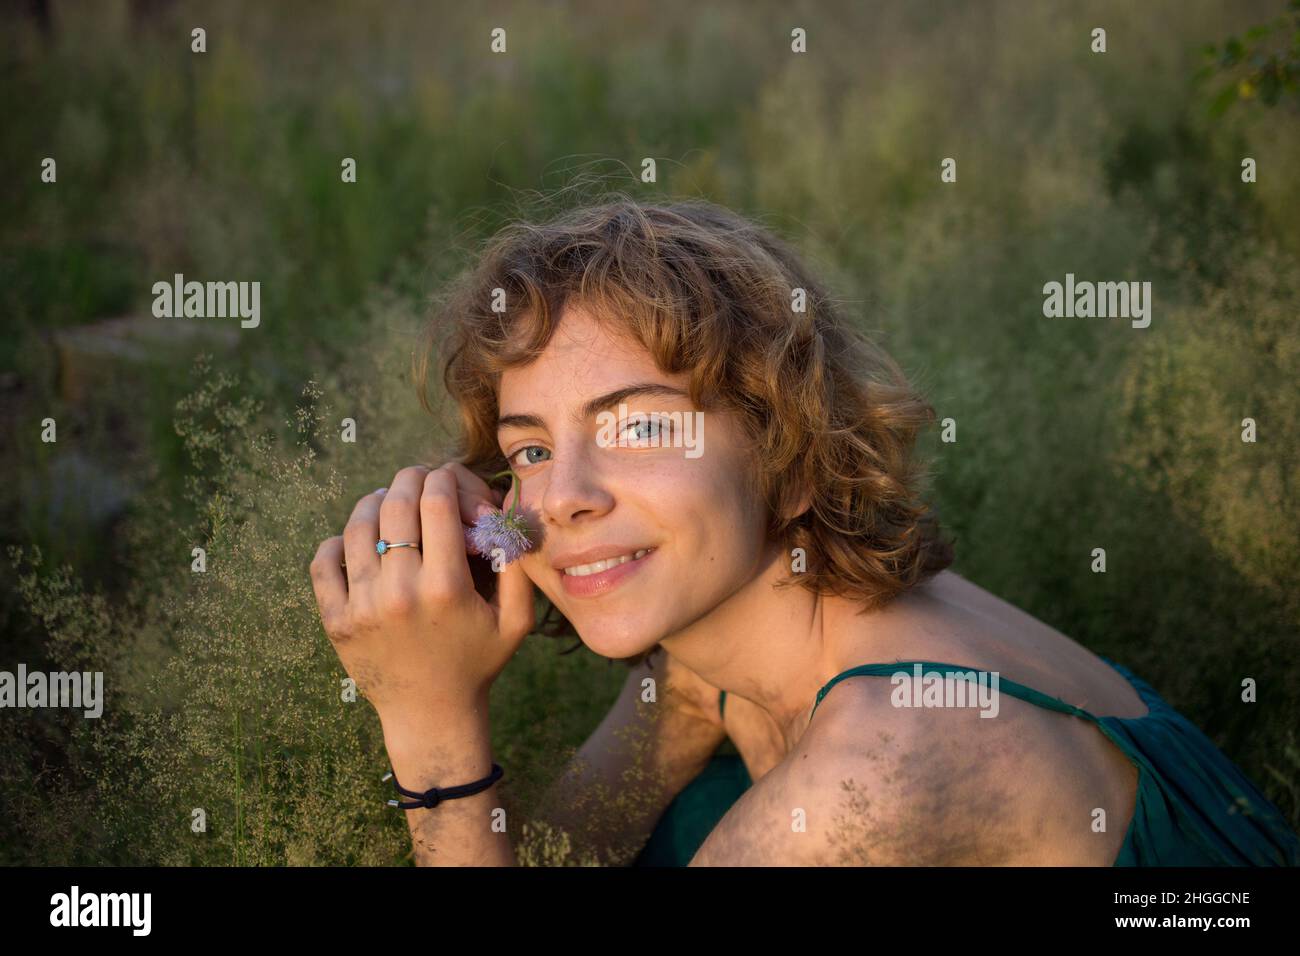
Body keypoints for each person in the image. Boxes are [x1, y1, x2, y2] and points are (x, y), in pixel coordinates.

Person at [309, 196, 1300, 866]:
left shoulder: (884, 756)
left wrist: (430, 724)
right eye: (527, 450)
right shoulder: (711, 662)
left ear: (785, 447)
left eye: (638, 425)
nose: (561, 496)